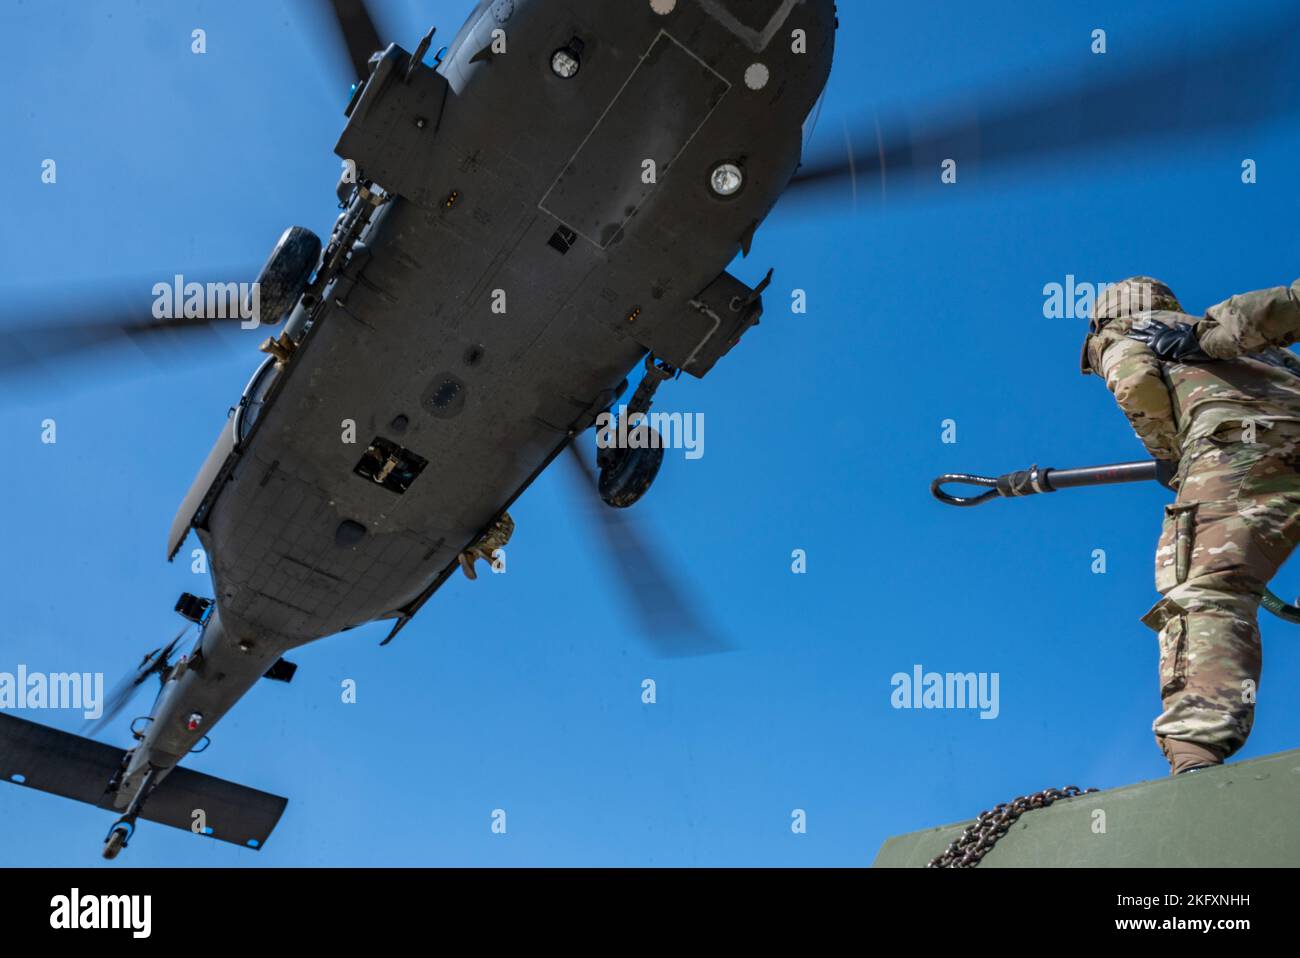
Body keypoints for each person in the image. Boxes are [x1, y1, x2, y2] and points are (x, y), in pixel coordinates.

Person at [1082, 277, 1300, 773]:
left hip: (1240, 447)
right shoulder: (1241, 338)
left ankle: (1197, 748)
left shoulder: (1129, 331)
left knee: (1207, 585)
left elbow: (1138, 387)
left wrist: (1173, 453)